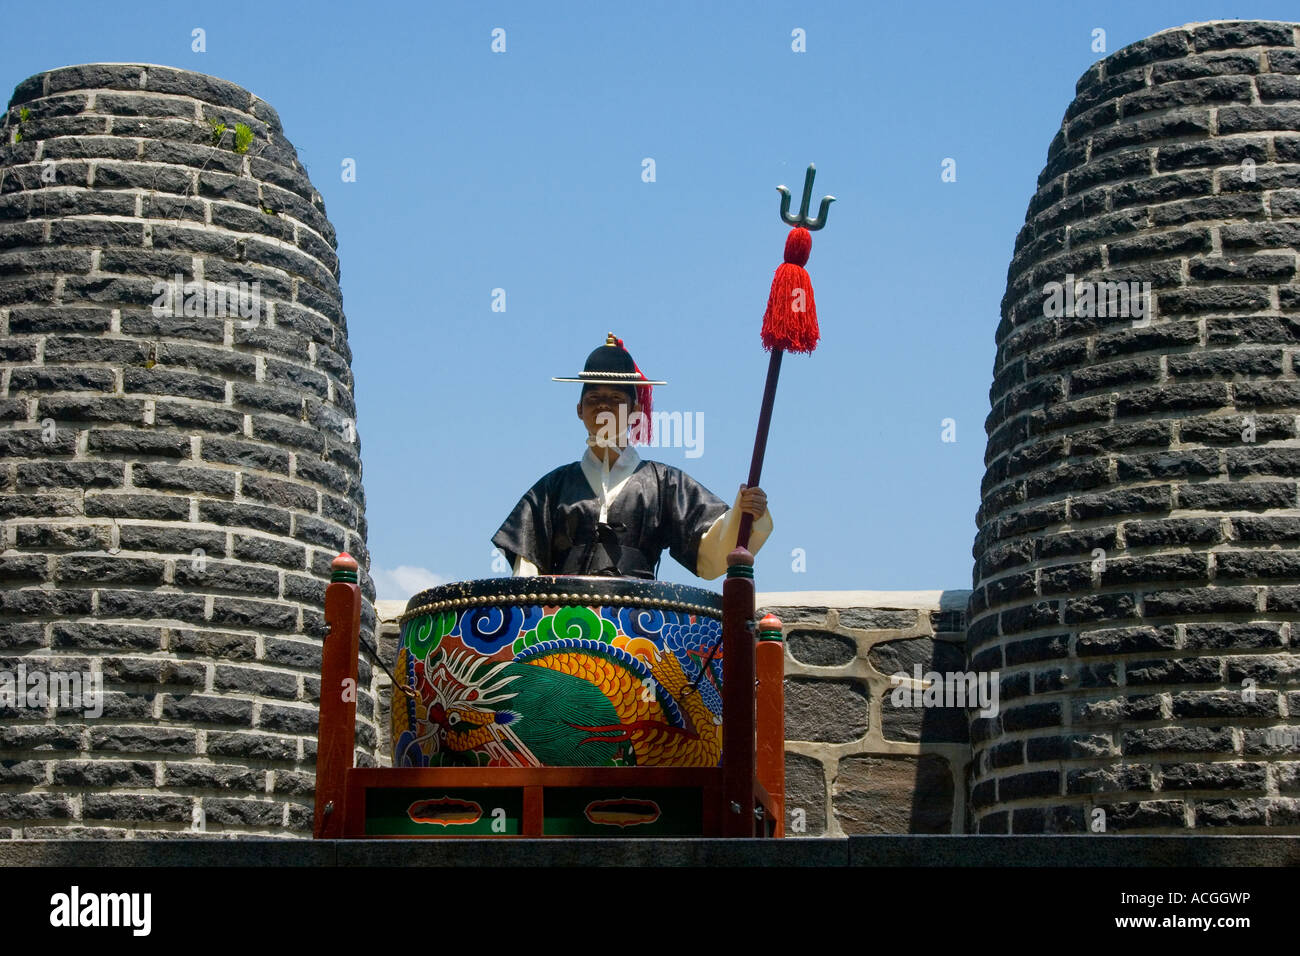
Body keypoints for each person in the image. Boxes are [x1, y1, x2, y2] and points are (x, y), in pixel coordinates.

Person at [492, 334, 773, 580]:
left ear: (635, 409)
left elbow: (710, 553)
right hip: (565, 625)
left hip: (640, 626)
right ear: (579, 409)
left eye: (615, 398)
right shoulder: (551, 488)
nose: (603, 405)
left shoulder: (663, 484)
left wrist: (744, 512)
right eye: (593, 398)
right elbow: (527, 574)